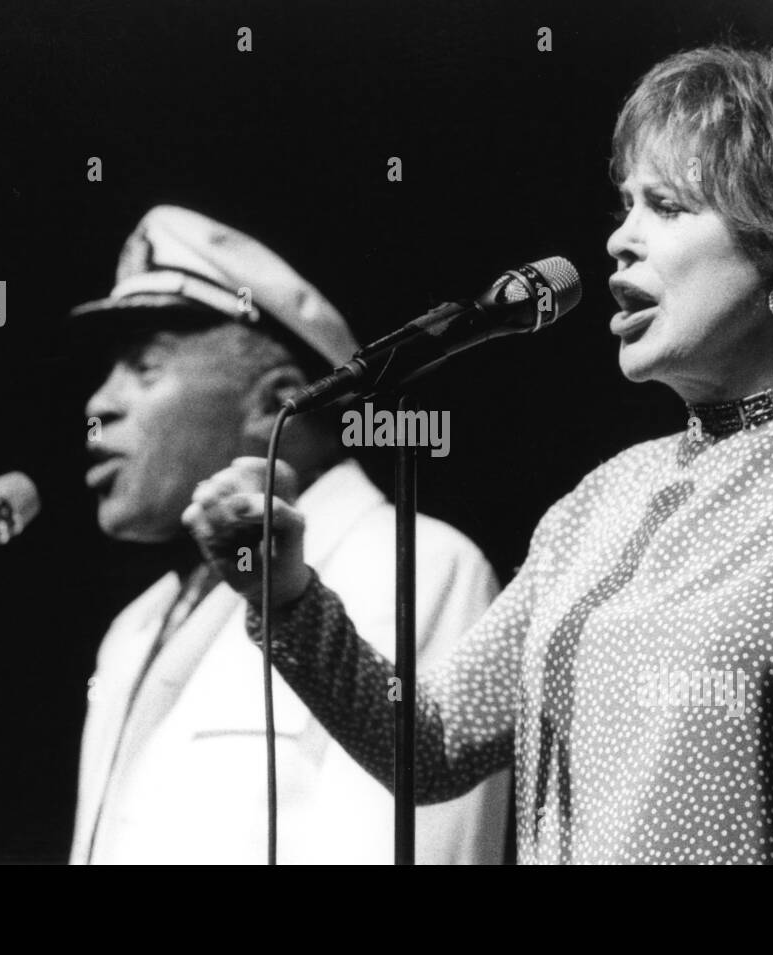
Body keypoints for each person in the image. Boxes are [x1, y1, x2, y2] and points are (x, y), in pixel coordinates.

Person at [183, 46, 773, 864]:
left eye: (667, 207)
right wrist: (287, 594)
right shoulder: (601, 502)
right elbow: (431, 743)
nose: (619, 239)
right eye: (626, 205)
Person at [68, 206, 510, 864]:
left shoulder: (412, 565)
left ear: (274, 399)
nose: (98, 403)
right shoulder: (135, 627)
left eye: (145, 367)